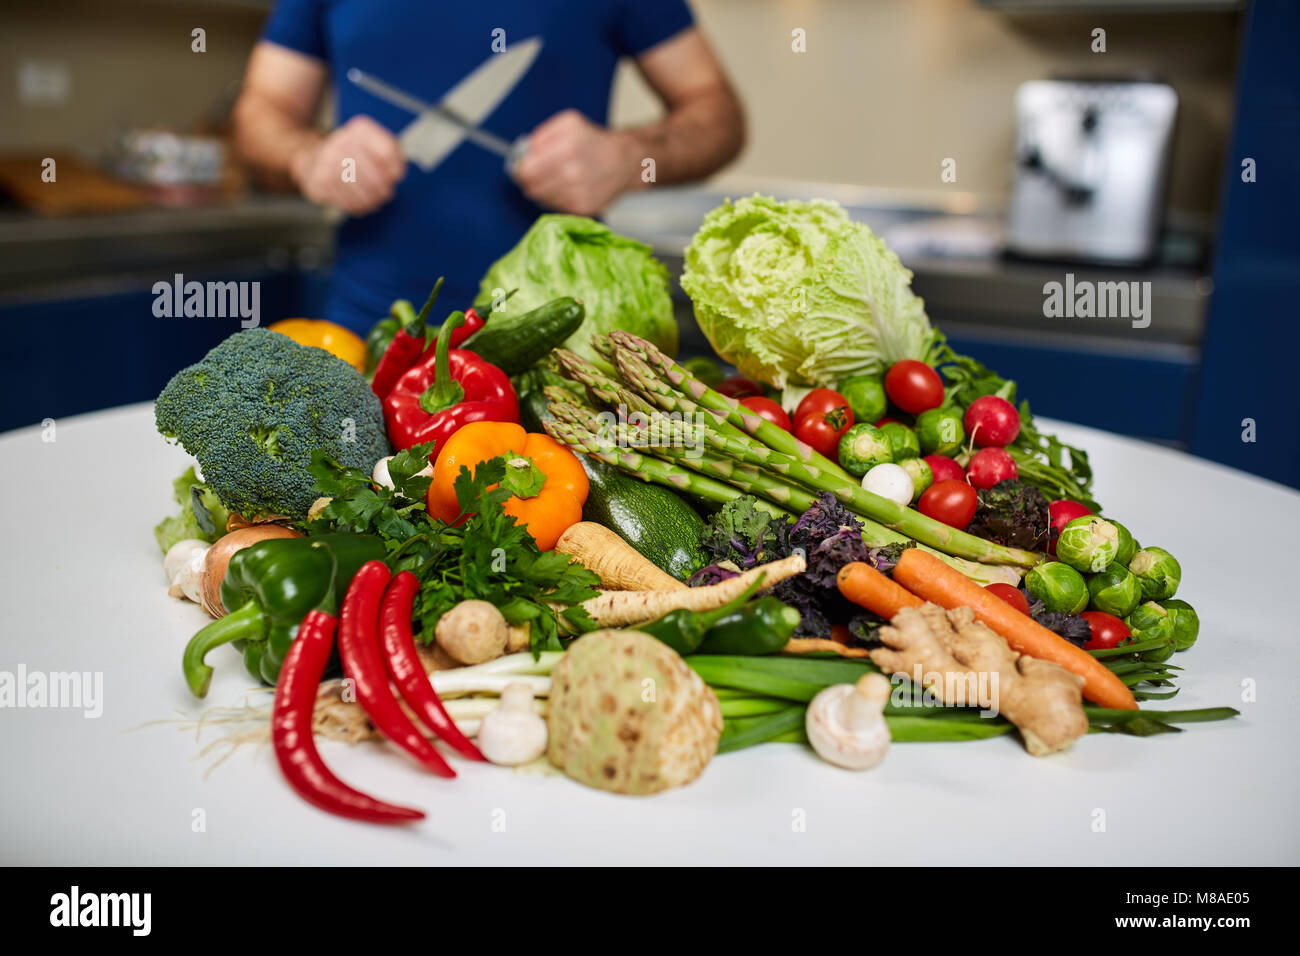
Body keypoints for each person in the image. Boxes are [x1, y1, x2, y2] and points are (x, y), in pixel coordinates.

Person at [232, 1, 745, 333]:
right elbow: (262, 111)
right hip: (368, 329)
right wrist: (308, 157)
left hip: (563, 332)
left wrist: (630, 158)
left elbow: (718, 115)